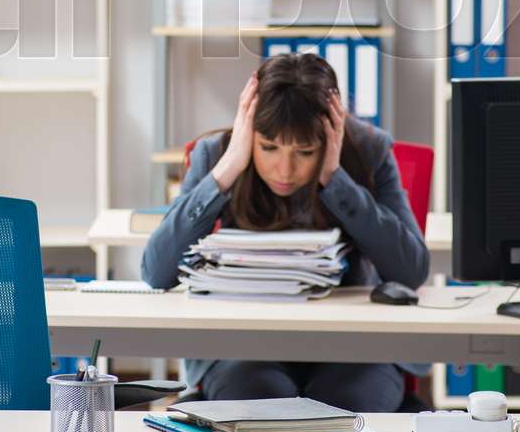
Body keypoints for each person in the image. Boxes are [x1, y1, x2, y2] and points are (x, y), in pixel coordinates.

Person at [141, 52, 429, 411]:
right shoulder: (217, 154)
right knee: (261, 405)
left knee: (343, 408)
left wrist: (334, 179)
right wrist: (228, 168)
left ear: (328, 137)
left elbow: (411, 271)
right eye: (269, 147)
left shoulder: (368, 150)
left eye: (305, 152)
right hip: (243, 346)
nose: (285, 170)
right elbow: (156, 272)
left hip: (353, 345)